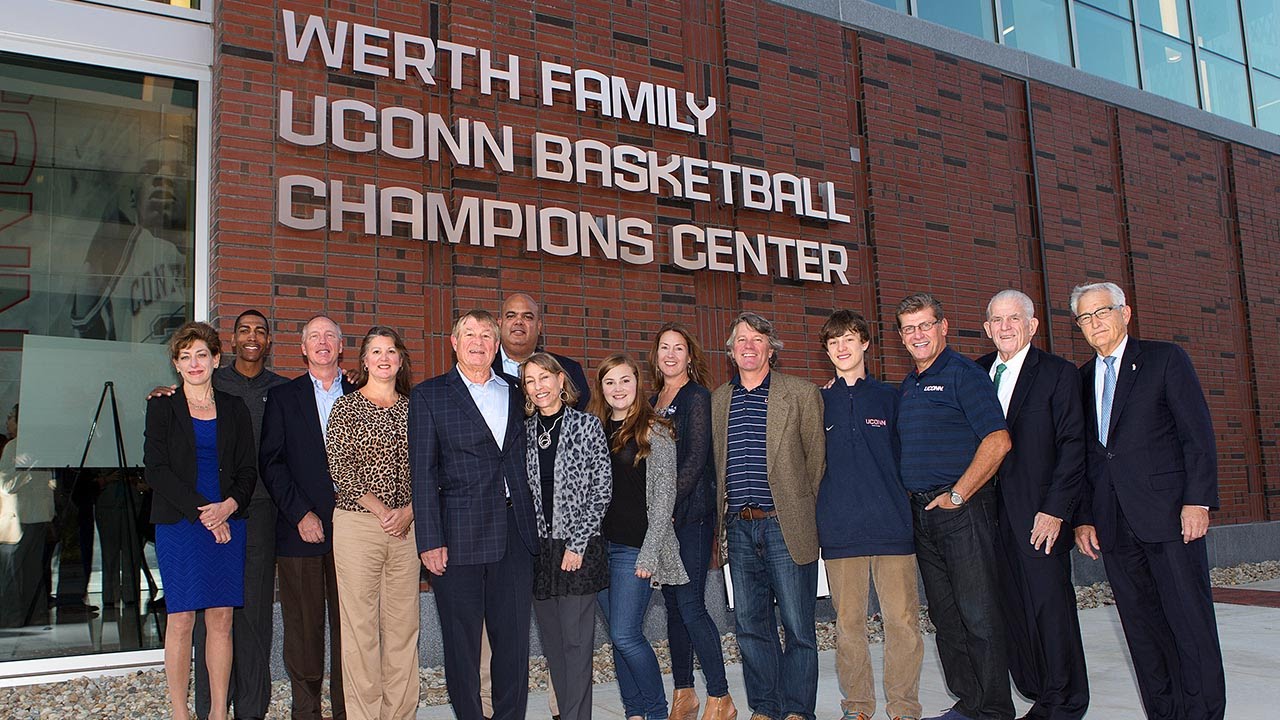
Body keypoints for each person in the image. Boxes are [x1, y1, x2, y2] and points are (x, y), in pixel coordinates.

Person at [1070, 282, 1225, 720]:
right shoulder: (1080, 380)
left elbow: (1196, 434)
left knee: (1189, 624)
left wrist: (1197, 501)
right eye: (1085, 317)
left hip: (1170, 518)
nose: (1094, 322)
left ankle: (1203, 714)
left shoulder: (1164, 359)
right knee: (1142, 629)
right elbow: (1082, 455)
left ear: (1126, 313)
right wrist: (1083, 518)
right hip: (1113, 524)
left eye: (1103, 312)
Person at [148, 309, 288, 720]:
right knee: (182, 619)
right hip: (181, 523)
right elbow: (155, 469)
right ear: (176, 364)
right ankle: (180, 711)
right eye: (186, 356)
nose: (194, 363)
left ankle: (217, 713)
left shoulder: (233, 407)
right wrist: (204, 513)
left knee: (222, 618)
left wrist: (227, 507)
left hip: (229, 522)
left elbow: (248, 470)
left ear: (215, 359)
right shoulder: (163, 407)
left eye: (202, 355)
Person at [411, 310, 538, 720]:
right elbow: (423, 473)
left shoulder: (519, 391)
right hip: (458, 539)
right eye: (470, 334)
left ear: (497, 345)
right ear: (454, 342)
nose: (479, 342)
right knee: (461, 646)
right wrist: (429, 541)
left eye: (487, 335)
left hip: (516, 535)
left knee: (514, 644)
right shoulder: (430, 395)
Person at [893, 293, 1012, 720]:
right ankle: (969, 702)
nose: (918, 335)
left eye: (925, 325)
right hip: (923, 515)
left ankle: (995, 709)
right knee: (946, 617)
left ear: (943, 327)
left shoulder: (965, 374)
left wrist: (959, 494)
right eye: (909, 328)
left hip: (962, 510)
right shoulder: (908, 385)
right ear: (902, 337)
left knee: (978, 615)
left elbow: (998, 441)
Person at [977, 290, 1089, 720]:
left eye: (1013, 319)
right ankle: (1038, 691)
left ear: (1032, 325)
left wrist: (1056, 509)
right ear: (987, 328)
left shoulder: (1058, 374)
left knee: (1050, 608)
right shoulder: (977, 372)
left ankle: (1065, 701)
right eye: (997, 320)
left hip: (1040, 513)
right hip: (989, 517)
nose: (1005, 327)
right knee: (1012, 609)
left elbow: (1072, 445)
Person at [710, 312, 825, 720]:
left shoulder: (801, 393)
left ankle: (797, 710)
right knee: (750, 626)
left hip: (783, 524)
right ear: (730, 351)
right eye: (740, 339)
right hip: (739, 527)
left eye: (757, 339)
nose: (748, 345)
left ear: (770, 349)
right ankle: (765, 706)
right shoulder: (719, 399)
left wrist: (795, 508)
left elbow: (816, 462)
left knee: (798, 627)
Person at [481, 292, 588, 720]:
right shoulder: (481, 375)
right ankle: (494, 706)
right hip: (498, 520)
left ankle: (564, 707)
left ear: (539, 325)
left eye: (528, 317)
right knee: (499, 622)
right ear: (499, 325)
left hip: (556, 527)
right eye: (510, 316)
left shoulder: (568, 371)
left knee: (558, 625)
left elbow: (585, 453)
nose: (519, 323)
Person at [816, 311, 923, 720]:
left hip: (892, 525)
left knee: (902, 623)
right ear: (827, 351)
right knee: (848, 626)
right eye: (833, 342)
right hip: (840, 530)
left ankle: (904, 708)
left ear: (864, 343)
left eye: (849, 339)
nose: (842, 348)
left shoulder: (891, 397)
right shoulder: (818, 401)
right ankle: (858, 707)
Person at [261, 315, 355, 720]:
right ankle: (306, 710)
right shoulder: (284, 397)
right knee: (303, 628)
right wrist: (300, 512)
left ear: (340, 346)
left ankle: (347, 709)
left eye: (329, 337)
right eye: (314, 337)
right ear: (302, 348)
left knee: (351, 627)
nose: (322, 343)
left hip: (356, 529)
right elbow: (272, 461)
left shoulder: (362, 391)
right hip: (300, 530)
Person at [326, 326, 419, 720]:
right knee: (360, 629)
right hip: (359, 524)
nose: (384, 358)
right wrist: (384, 512)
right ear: (363, 360)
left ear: (400, 360)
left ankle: (399, 714)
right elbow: (340, 468)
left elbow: (431, 469)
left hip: (410, 528)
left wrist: (409, 512)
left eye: (391, 351)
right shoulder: (345, 408)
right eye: (376, 351)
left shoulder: (417, 408)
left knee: (403, 628)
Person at [591, 353, 688, 720]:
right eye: (610, 382)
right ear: (601, 388)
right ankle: (634, 712)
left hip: (636, 549)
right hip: (600, 550)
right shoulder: (594, 429)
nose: (618, 389)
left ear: (637, 383)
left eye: (625, 380)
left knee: (626, 635)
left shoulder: (656, 430)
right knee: (618, 640)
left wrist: (650, 555)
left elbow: (664, 498)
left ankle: (657, 712)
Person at [649, 323, 736, 720]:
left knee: (690, 603)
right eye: (664, 348)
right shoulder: (652, 401)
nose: (670, 354)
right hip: (661, 523)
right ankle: (684, 693)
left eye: (678, 348)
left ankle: (721, 696)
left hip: (691, 518)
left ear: (689, 356)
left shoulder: (697, 397)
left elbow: (696, 459)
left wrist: (665, 505)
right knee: (671, 606)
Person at [521, 352, 611, 720]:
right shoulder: (523, 433)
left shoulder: (586, 426)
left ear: (561, 381)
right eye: (530, 380)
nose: (539, 386)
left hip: (579, 547)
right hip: (540, 552)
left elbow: (601, 488)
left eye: (545, 377)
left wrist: (577, 543)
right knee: (554, 647)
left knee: (576, 644)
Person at [70, 135, 191, 343]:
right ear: (134, 195)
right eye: (150, 169)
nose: (163, 176)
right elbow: (86, 330)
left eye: (178, 171)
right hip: (136, 370)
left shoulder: (210, 257)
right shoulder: (117, 245)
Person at [0, 404, 56, 628]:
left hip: (19, 520)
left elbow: (5, 485)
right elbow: (52, 484)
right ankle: (36, 615)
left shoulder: (15, 447)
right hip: (40, 517)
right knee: (33, 573)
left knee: (9, 573)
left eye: (10, 417)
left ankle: (11, 618)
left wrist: (26, 471)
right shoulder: (44, 447)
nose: (7, 422)